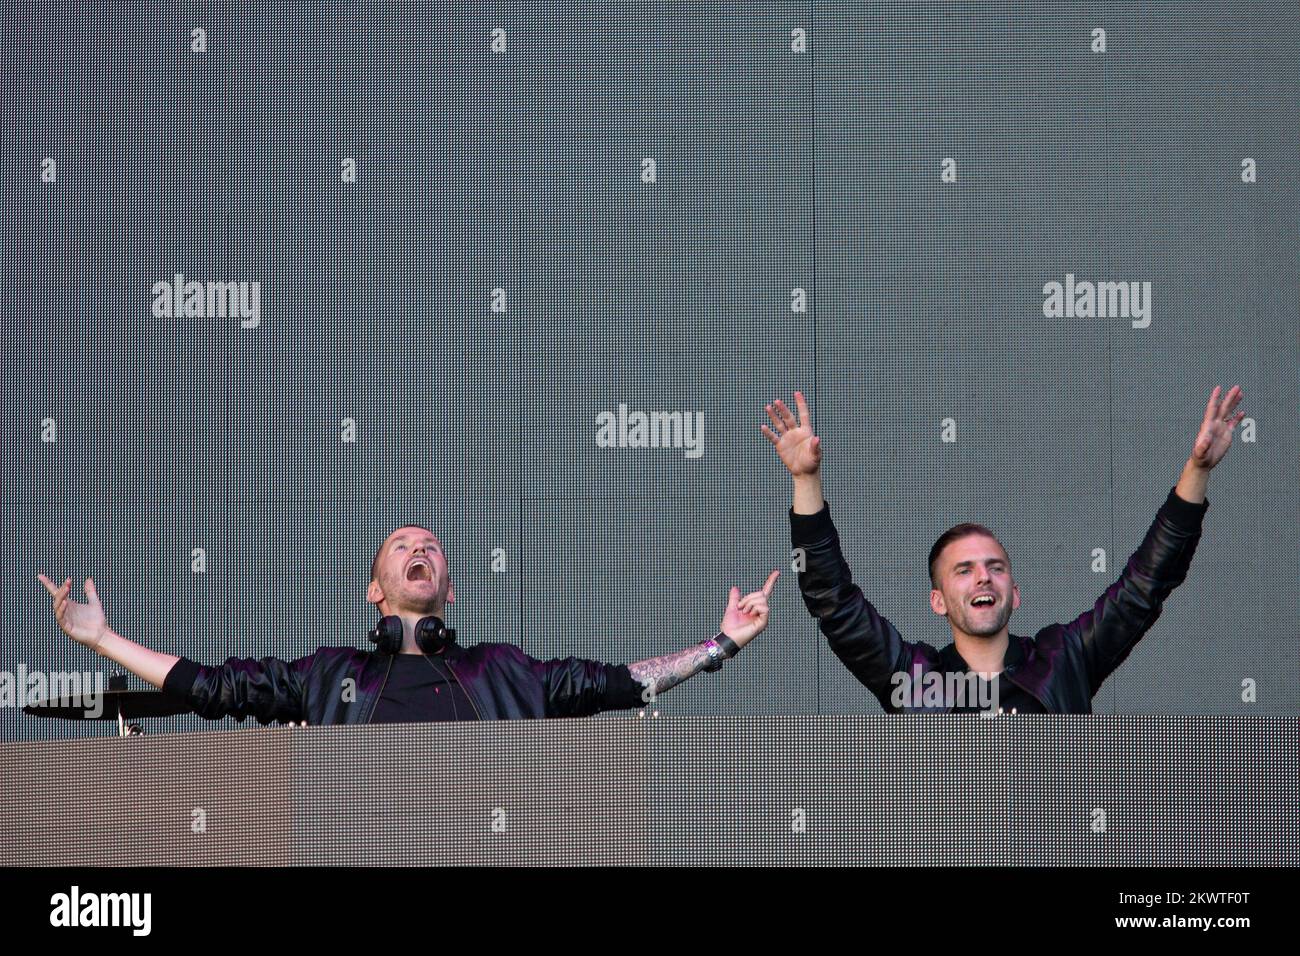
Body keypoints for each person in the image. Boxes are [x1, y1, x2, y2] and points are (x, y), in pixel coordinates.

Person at [761, 386, 1244, 713]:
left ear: (1015, 593)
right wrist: (806, 480)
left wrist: (1197, 470)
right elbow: (835, 604)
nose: (983, 577)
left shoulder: (1064, 659)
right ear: (937, 601)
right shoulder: (914, 679)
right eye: (963, 570)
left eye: (995, 567)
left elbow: (1144, 586)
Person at [37, 524, 780, 725]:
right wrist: (101, 639)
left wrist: (719, 645)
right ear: (375, 591)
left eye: (431, 546)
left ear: (449, 589)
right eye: (401, 546)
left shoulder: (505, 672)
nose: (419, 549)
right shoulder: (330, 676)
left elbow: (620, 684)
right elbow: (212, 687)